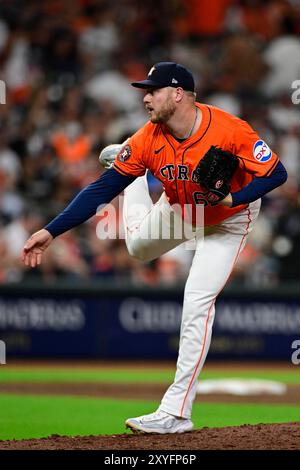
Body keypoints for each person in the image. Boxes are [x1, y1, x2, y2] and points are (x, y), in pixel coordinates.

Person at [22, 62, 287, 434]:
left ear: (178, 94)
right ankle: (126, 163)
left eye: (153, 90)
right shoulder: (149, 137)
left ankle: (176, 412)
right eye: (145, 91)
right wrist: (51, 231)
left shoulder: (229, 129)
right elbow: (100, 190)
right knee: (137, 248)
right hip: (181, 207)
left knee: (196, 302)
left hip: (230, 219)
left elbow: (278, 172)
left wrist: (235, 197)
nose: (145, 97)